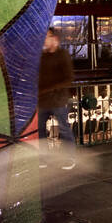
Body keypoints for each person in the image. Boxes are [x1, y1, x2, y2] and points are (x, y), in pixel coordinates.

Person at [37, 27, 76, 168]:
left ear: (55, 39)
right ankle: (43, 158)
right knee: (40, 130)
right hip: (43, 100)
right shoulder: (42, 56)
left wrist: (49, 88)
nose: (44, 40)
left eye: (47, 37)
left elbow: (69, 78)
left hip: (57, 99)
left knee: (64, 129)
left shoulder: (62, 55)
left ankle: (69, 157)